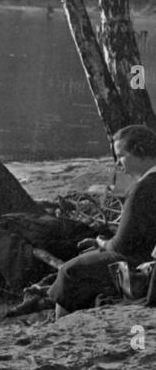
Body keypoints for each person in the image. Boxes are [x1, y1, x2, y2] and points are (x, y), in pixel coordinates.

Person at [49, 125, 156, 316]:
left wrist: (100, 242)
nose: (118, 163)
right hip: (149, 254)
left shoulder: (144, 188)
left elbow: (121, 247)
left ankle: (60, 328)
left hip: (142, 262)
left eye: (121, 155)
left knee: (69, 271)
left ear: (140, 152)